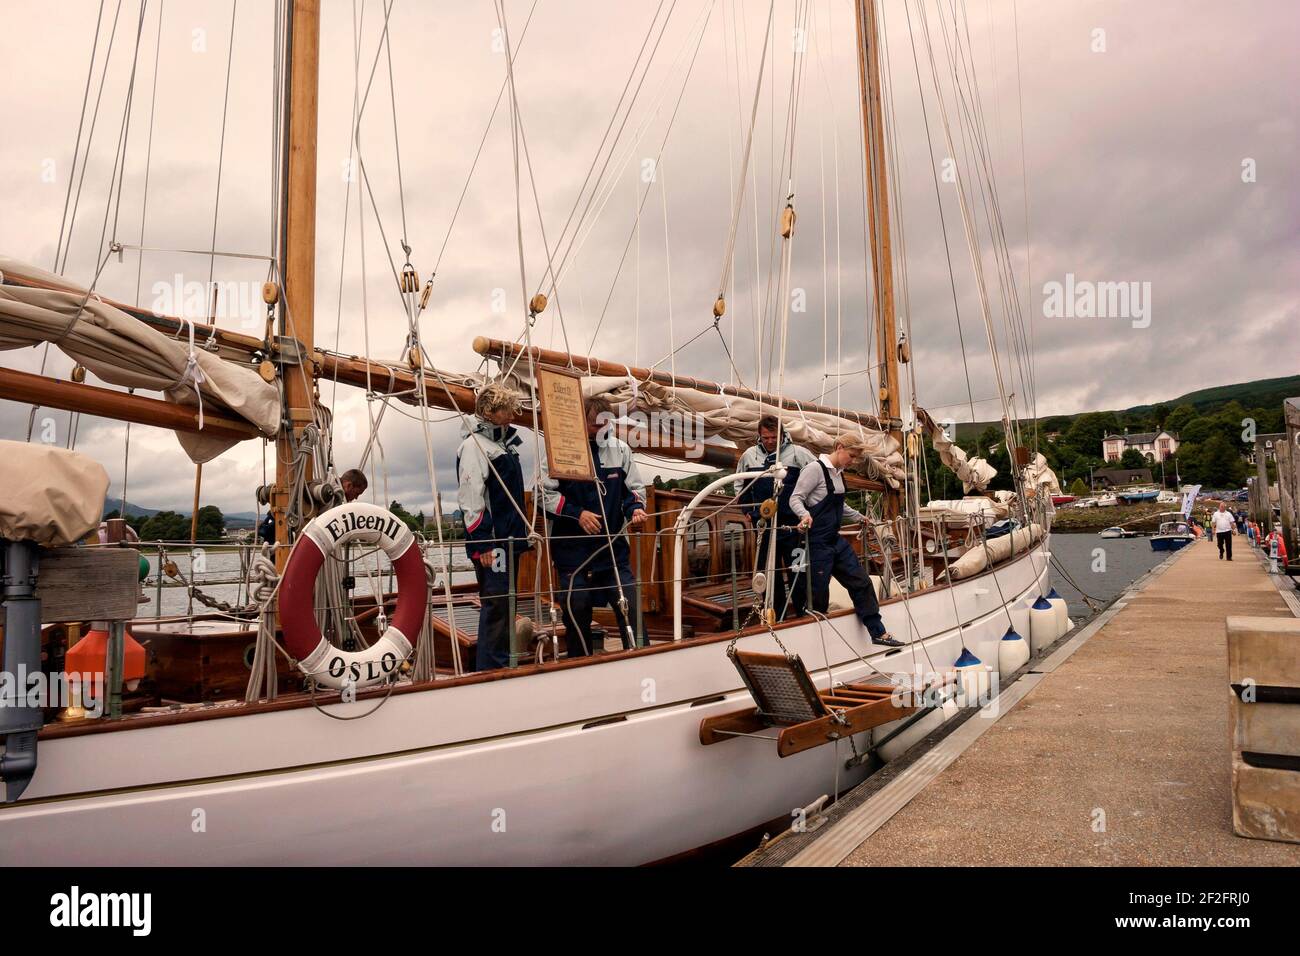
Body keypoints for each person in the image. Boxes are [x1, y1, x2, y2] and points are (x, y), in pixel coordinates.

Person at [541, 398, 647, 657]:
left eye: (605, 423)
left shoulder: (620, 450)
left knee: (631, 609)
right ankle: (580, 668)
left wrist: (636, 510)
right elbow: (543, 494)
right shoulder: (560, 451)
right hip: (573, 555)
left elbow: (634, 491)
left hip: (612, 554)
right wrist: (577, 514)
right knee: (577, 610)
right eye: (593, 424)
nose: (600, 429)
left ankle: (641, 663)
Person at [790, 438, 903, 647]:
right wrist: (804, 515)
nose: (852, 461)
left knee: (861, 581)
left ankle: (878, 632)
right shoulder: (814, 469)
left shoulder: (838, 473)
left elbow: (839, 507)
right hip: (816, 542)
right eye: (851, 456)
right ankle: (817, 643)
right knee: (817, 593)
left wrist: (860, 517)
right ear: (839, 448)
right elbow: (795, 498)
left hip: (834, 539)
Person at [457, 383, 531, 671]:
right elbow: (471, 497)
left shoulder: (503, 445)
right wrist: (483, 543)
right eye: (506, 408)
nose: (512, 413)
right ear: (489, 411)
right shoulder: (474, 447)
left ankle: (500, 664)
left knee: (506, 603)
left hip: (510, 539)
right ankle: (490, 670)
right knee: (497, 605)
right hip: (494, 544)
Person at [735, 415, 816, 619]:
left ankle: (803, 612)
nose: (770, 441)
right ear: (759, 436)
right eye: (766, 437)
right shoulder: (749, 456)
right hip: (763, 525)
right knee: (767, 572)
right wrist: (747, 511)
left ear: (782, 435)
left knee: (799, 569)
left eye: (774, 437)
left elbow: (818, 479)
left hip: (793, 526)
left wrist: (810, 512)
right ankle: (774, 613)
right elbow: (740, 486)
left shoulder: (799, 454)